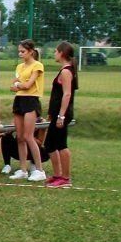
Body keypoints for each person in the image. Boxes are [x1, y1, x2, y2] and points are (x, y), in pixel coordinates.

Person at [9, 41, 45, 180]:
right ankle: (23, 170)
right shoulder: (20, 66)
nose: (20, 54)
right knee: (20, 137)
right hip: (19, 100)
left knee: (29, 136)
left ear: (30, 51)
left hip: (31, 100)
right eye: (19, 51)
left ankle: (39, 170)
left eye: (23, 51)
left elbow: (29, 85)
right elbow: (14, 85)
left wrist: (19, 85)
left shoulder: (37, 65)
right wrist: (19, 85)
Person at [43, 41, 77, 187]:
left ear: (62, 53)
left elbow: (67, 94)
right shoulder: (64, 69)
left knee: (61, 145)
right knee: (50, 144)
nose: (54, 54)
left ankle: (65, 178)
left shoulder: (66, 71)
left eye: (56, 51)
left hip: (62, 114)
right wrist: (52, 113)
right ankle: (57, 175)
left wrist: (61, 116)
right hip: (56, 113)